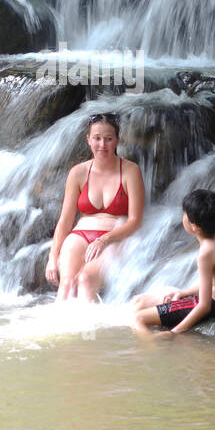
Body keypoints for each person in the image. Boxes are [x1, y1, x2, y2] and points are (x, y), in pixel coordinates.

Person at [46, 112, 145, 302]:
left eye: (108, 139)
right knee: (66, 285)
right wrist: (53, 257)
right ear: (88, 140)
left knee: (85, 280)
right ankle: (60, 331)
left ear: (116, 141)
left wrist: (104, 240)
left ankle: (90, 331)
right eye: (97, 138)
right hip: (80, 235)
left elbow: (135, 221)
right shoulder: (78, 172)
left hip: (115, 236)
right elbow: (65, 221)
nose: (102, 145)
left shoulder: (130, 171)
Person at [131, 189, 215, 335]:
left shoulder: (206, 253)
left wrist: (175, 332)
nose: (183, 216)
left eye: (185, 214)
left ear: (194, 226)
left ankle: (154, 346)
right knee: (139, 303)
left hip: (214, 307)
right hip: (213, 300)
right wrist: (184, 292)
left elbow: (204, 306)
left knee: (138, 319)